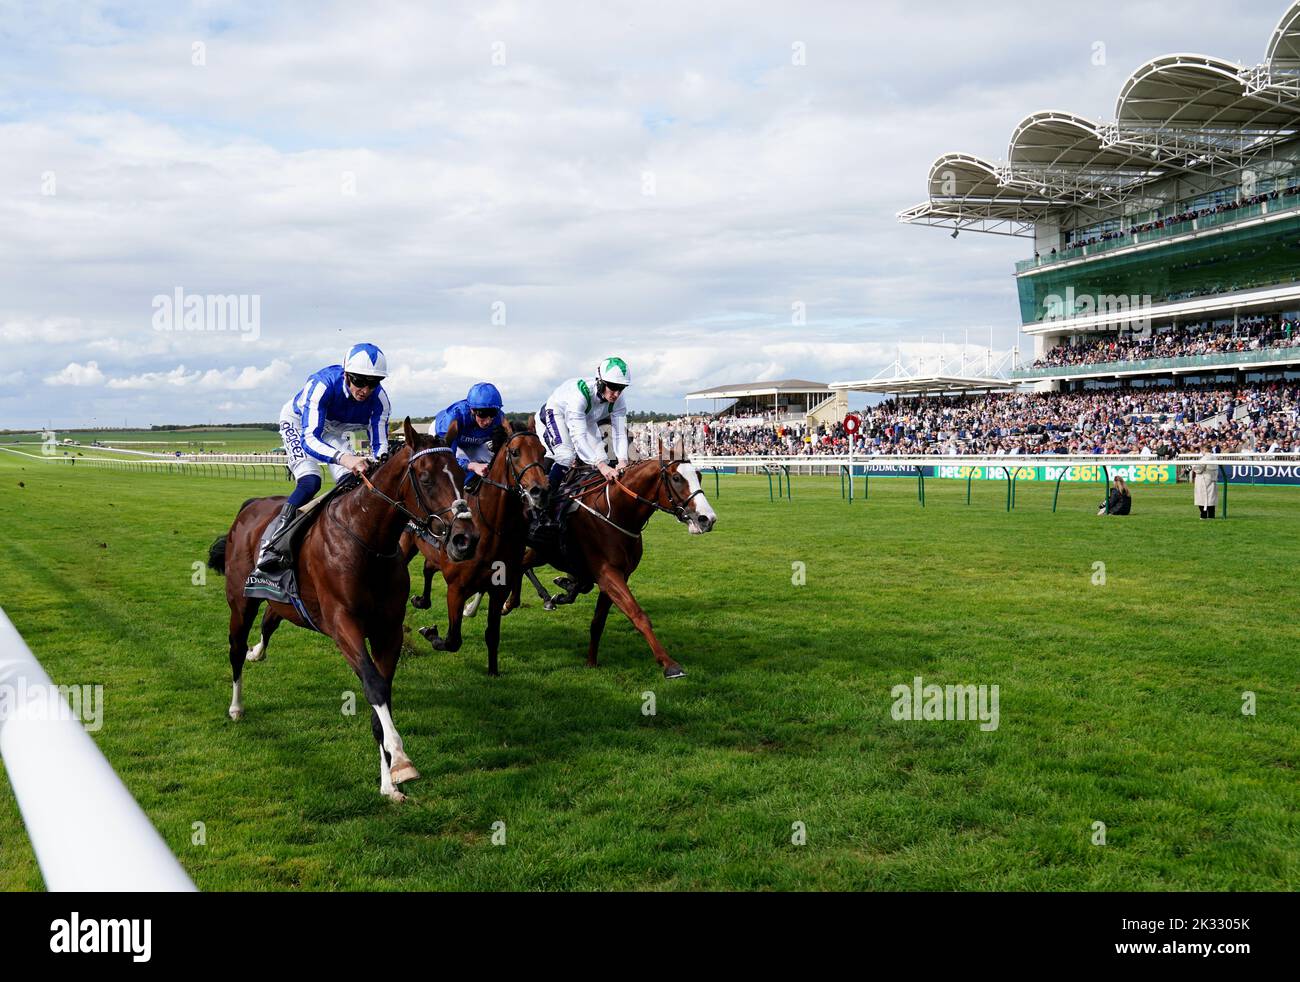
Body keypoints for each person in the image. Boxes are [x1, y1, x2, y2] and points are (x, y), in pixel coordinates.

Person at [246, 343, 391, 591]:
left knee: (351, 483)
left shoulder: (380, 401)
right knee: (311, 480)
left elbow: (381, 448)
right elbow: (310, 438)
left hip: (334, 431)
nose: (365, 390)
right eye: (359, 381)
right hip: (300, 425)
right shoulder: (322, 385)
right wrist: (346, 459)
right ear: (346, 375)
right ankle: (273, 544)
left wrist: (378, 464)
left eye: (373, 383)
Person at [536, 355, 631, 490]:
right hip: (556, 412)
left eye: (621, 388)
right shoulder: (580, 395)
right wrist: (601, 467)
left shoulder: (618, 401)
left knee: (603, 458)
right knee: (566, 456)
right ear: (600, 381)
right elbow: (578, 437)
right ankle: (545, 500)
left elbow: (620, 433)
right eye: (613, 387)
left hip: (585, 419)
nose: (616, 394)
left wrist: (622, 461)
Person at [433, 382, 505, 488]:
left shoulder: (500, 418)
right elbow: (446, 457)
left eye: (493, 414)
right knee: (443, 471)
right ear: (472, 409)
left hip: (472, 441)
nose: (488, 421)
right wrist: (472, 466)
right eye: (483, 414)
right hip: (448, 439)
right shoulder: (455, 417)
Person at [1191, 452, 1219, 519]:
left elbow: (1199, 469)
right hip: (1212, 479)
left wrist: (1193, 466)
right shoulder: (1214, 457)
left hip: (1203, 480)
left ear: (1204, 450)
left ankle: (1203, 516)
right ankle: (1211, 516)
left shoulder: (1205, 458)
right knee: (1211, 498)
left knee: (1202, 499)